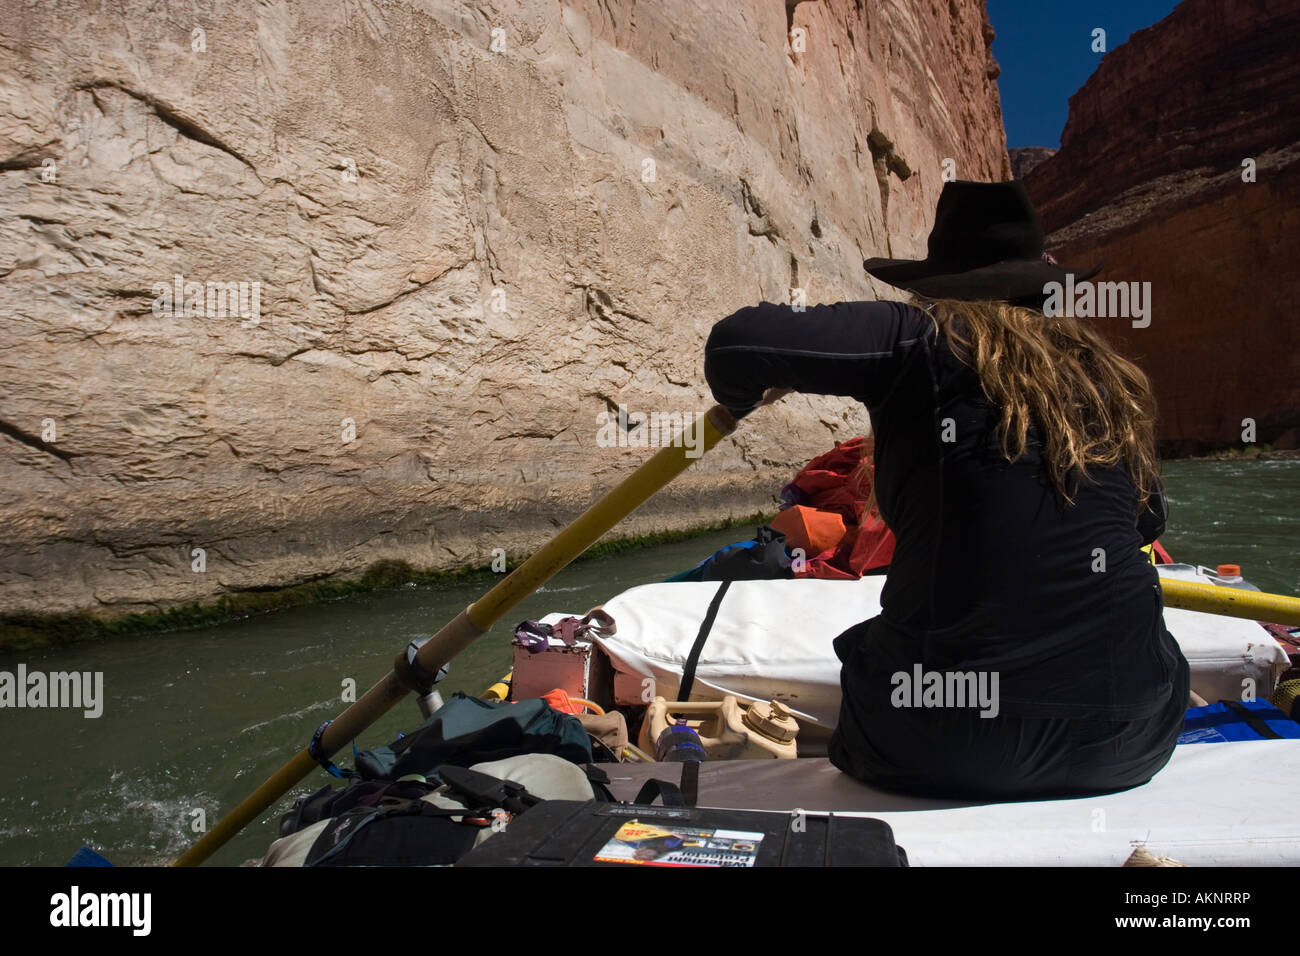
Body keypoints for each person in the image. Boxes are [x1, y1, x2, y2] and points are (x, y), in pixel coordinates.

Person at [703, 180, 1190, 800]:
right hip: (1130, 739)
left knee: (876, 657)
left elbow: (738, 345)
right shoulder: (1111, 383)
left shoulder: (919, 341)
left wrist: (750, 393)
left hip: (938, 742)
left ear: (937, 284)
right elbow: (1146, 528)